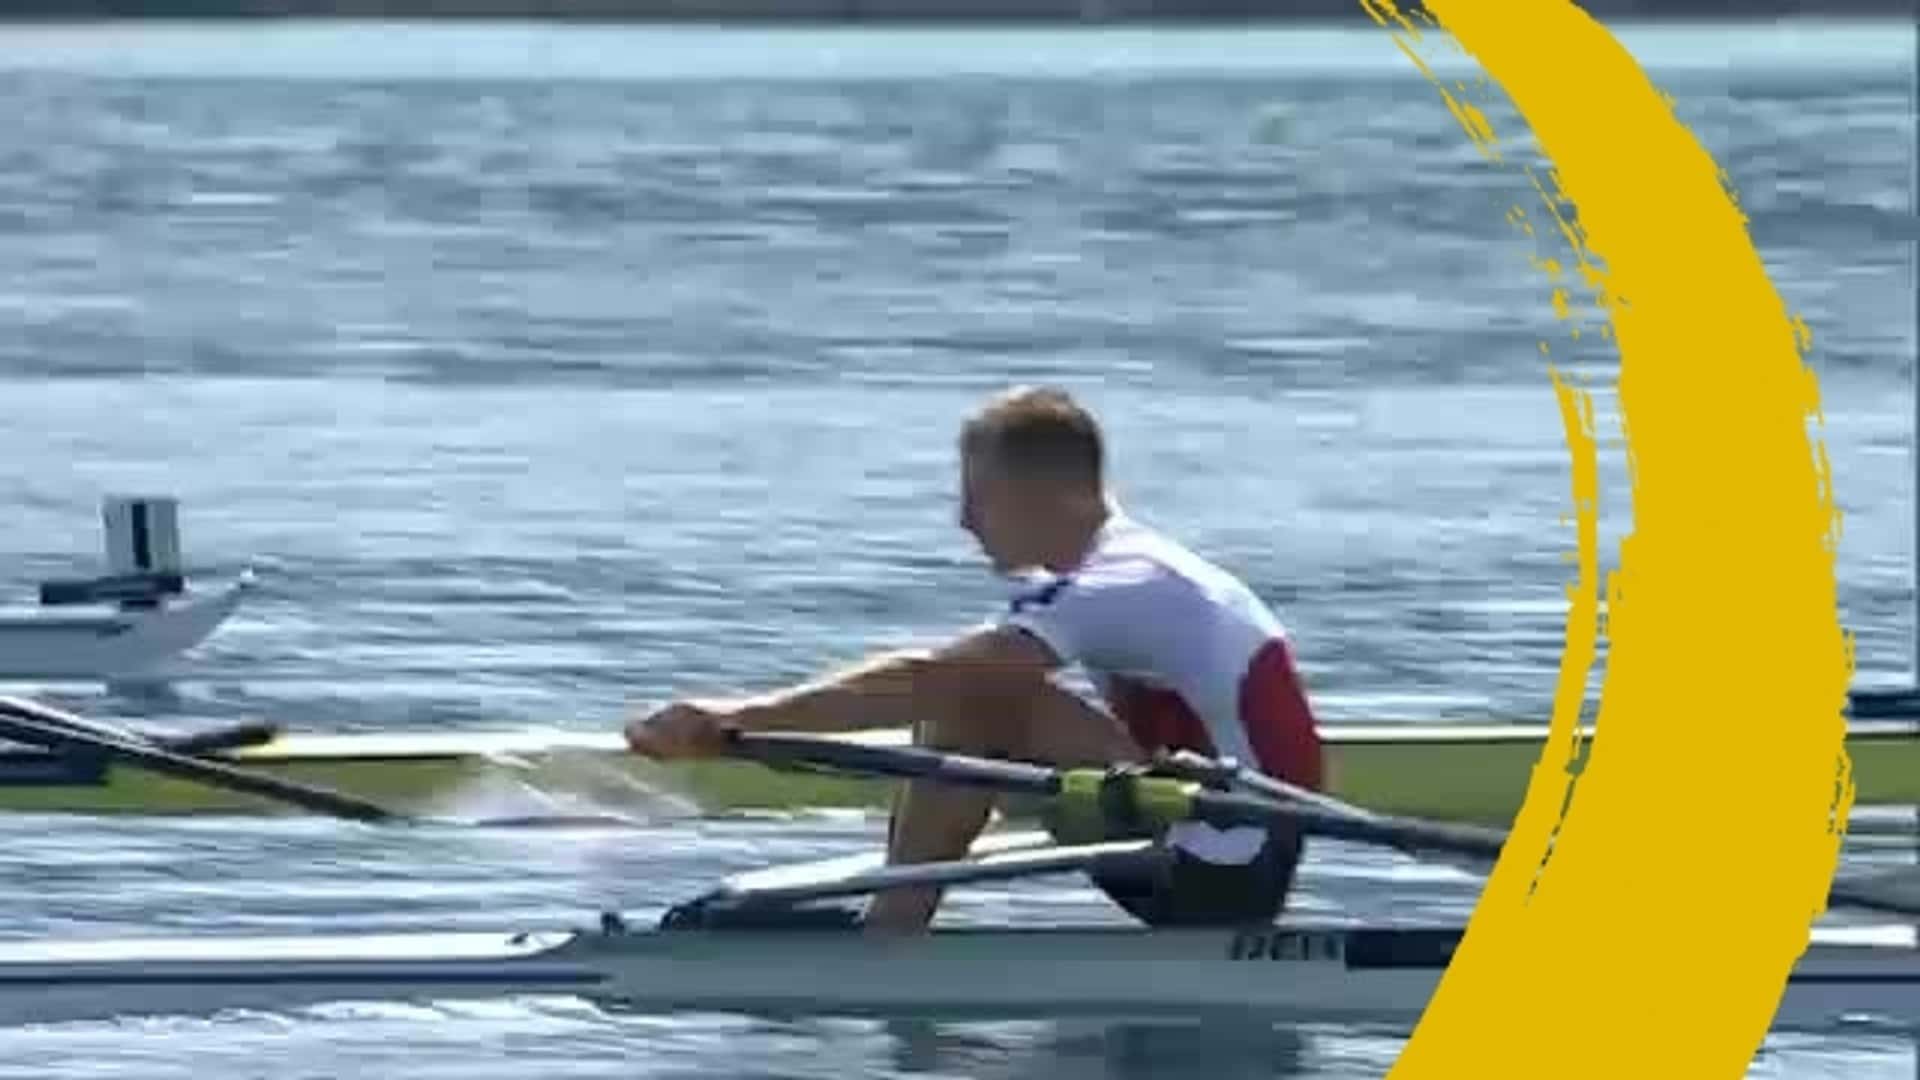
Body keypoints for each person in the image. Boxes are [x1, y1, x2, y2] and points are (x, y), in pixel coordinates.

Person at [624, 385, 1323, 932]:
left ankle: (889, 942)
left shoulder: (1128, 581)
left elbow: (934, 680)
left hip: (1234, 863)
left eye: (978, 495)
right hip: (1196, 835)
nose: (964, 520)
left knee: (975, 697)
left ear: (1048, 495)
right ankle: (896, 921)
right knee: (972, 700)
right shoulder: (1097, 577)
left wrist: (742, 717)